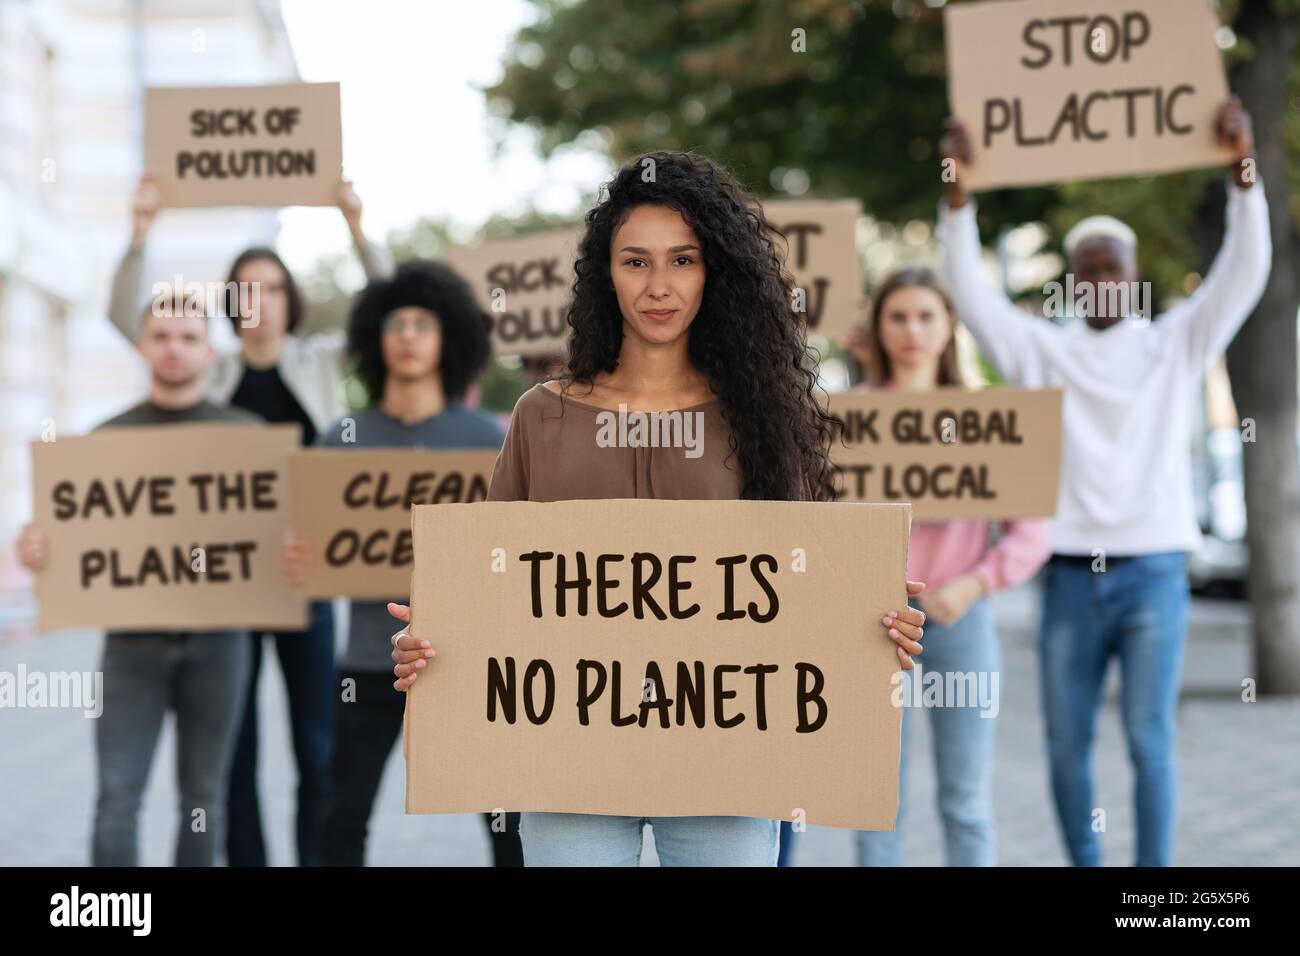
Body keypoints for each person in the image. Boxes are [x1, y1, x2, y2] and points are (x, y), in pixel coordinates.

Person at [390, 150, 928, 866]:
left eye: (683, 260)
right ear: (603, 274)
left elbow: (801, 586)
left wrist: (871, 620)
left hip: (725, 766)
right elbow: (498, 588)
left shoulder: (761, 417)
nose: (659, 286)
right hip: (567, 766)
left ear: (715, 272)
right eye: (635, 262)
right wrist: (435, 644)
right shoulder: (540, 417)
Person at [937, 97, 1271, 866]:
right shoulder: (1039, 353)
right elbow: (972, 293)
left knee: (1150, 739)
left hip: (1155, 569)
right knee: (1064, 743)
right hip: (1067, 577)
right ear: (1073, 283)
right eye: (1084, 271)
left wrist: (1242, 167)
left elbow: (1245, 270)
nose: (1099, 281)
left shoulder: (1174, 344)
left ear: (1131, 277)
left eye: (1111, 268)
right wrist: (958, 195)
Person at [106, 173, 392, 866]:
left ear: (289, 300)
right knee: (233, 752)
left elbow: (385, 309)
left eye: (271, 286)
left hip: (307, 576)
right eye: (245, 288)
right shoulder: (216, 373)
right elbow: (124, 318)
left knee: (316, 742)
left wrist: (354, 224)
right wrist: (140, 231)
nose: (258, 300)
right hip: (228, 581)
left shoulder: (320, 363)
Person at [284, 260, 523, 866]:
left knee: (507, 823)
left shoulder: (489, 440)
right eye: (396, 324)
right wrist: (300, 557)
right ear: (374, 338)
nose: (409, 335)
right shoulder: (340, 437)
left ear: (449, 339)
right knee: (341, 817)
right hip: (367, 661)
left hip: (469, 661)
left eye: (424, 323)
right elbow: (307, 545)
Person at [15, 293, 259, 866]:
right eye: (161, 336)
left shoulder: (248, 437)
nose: (173, 349)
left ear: (209, 351)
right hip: (130, 645)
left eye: (188, 338)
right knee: (117, 800)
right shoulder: (104, 441)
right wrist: (39, 549)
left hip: (219, 642)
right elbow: (72, 540)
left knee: (204, 799)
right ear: (142, 344)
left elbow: (272, 539)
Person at [850, 266, 1051, 867]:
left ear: (949, 325)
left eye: (926, 316)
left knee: (966, 799)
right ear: (879, 328)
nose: (912, 330)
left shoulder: (987, 417)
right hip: (873, 625)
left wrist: (975, 583)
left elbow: (1032, 534)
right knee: (875, 802)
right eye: (898, 316)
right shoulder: (846, 418)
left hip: (961, 618)